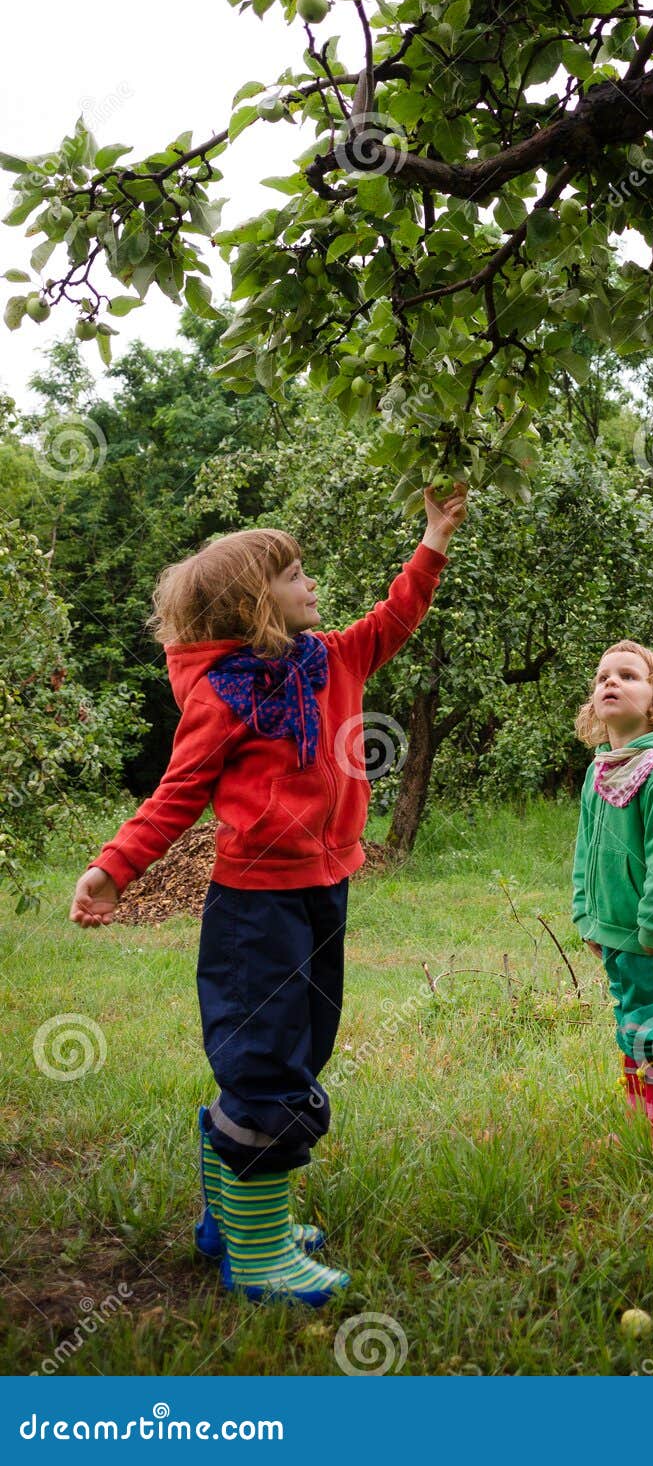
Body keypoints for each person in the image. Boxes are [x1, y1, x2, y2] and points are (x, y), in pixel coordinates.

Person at [69, 485, 467, 1306]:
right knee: (266, 1064)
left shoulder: (329, 658)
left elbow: (396, 617)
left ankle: (237, 1219)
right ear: (256, 603)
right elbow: (177, 794)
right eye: (293, 575)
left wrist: (433, 537)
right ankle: (257, 1260)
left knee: (303, 1047)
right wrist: (113, 869)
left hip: (324, 893)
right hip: (257, 910)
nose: (310, 585)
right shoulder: (220, 698)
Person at [571, 640, 653, 1138]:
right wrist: (587, 913)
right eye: (603, 676)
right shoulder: (601, 768)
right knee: (631, 1026)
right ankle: (639, 1120)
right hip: (615, 931)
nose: (611, 682)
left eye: (628, 676)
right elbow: (585, 849)